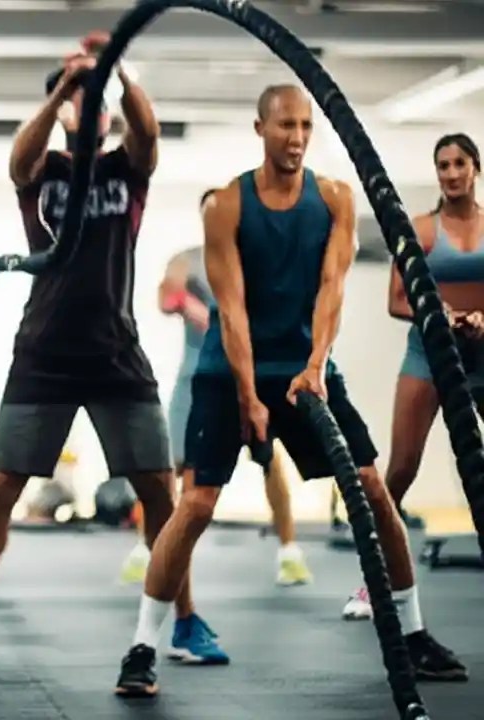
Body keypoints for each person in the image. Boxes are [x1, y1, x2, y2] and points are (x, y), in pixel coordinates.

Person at [114, 84, 467, 698]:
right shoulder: (226, 204)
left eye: (305, 126)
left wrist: (316, 366)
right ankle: (143, 646)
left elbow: (332, 288)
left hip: (307, 373)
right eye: (285, 126)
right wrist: (250, 395)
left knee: (375, 490)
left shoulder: (334, 198)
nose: (297, 137)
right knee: (195, 505)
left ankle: (413, 635)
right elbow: (233, 311)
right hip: (229, 374)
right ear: (261, 130)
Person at [0, 34, 227, 669]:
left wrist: (115, 73)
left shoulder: (127, 168)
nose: (87, 107)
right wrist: (67, 90)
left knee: (159, 492)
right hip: (42, 354)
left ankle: (185, 620)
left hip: (117, 354)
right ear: (64, 110)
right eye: (76, 101)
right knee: (2, 489)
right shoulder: (47, 172)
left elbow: (149, 134)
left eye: (96, 101)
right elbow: (19, 162)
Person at [119, 191, 313, 588]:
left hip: (252, 375)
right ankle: (147, 548)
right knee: (171, 466)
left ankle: (290, 552)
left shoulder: (255, 258)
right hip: (198, 374)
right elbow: (166, 295)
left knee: (268, 459)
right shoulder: (187, 259)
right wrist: (199, 308)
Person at [342, 133, 484, 622]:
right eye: (442, 164)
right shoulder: (421, 229)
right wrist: (436, 312)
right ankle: (375, 581)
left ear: (475, 168)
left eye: (459, 163)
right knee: (399, 471)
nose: (450, 173)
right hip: (428, 355)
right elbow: (396, 299)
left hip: (482, 354)